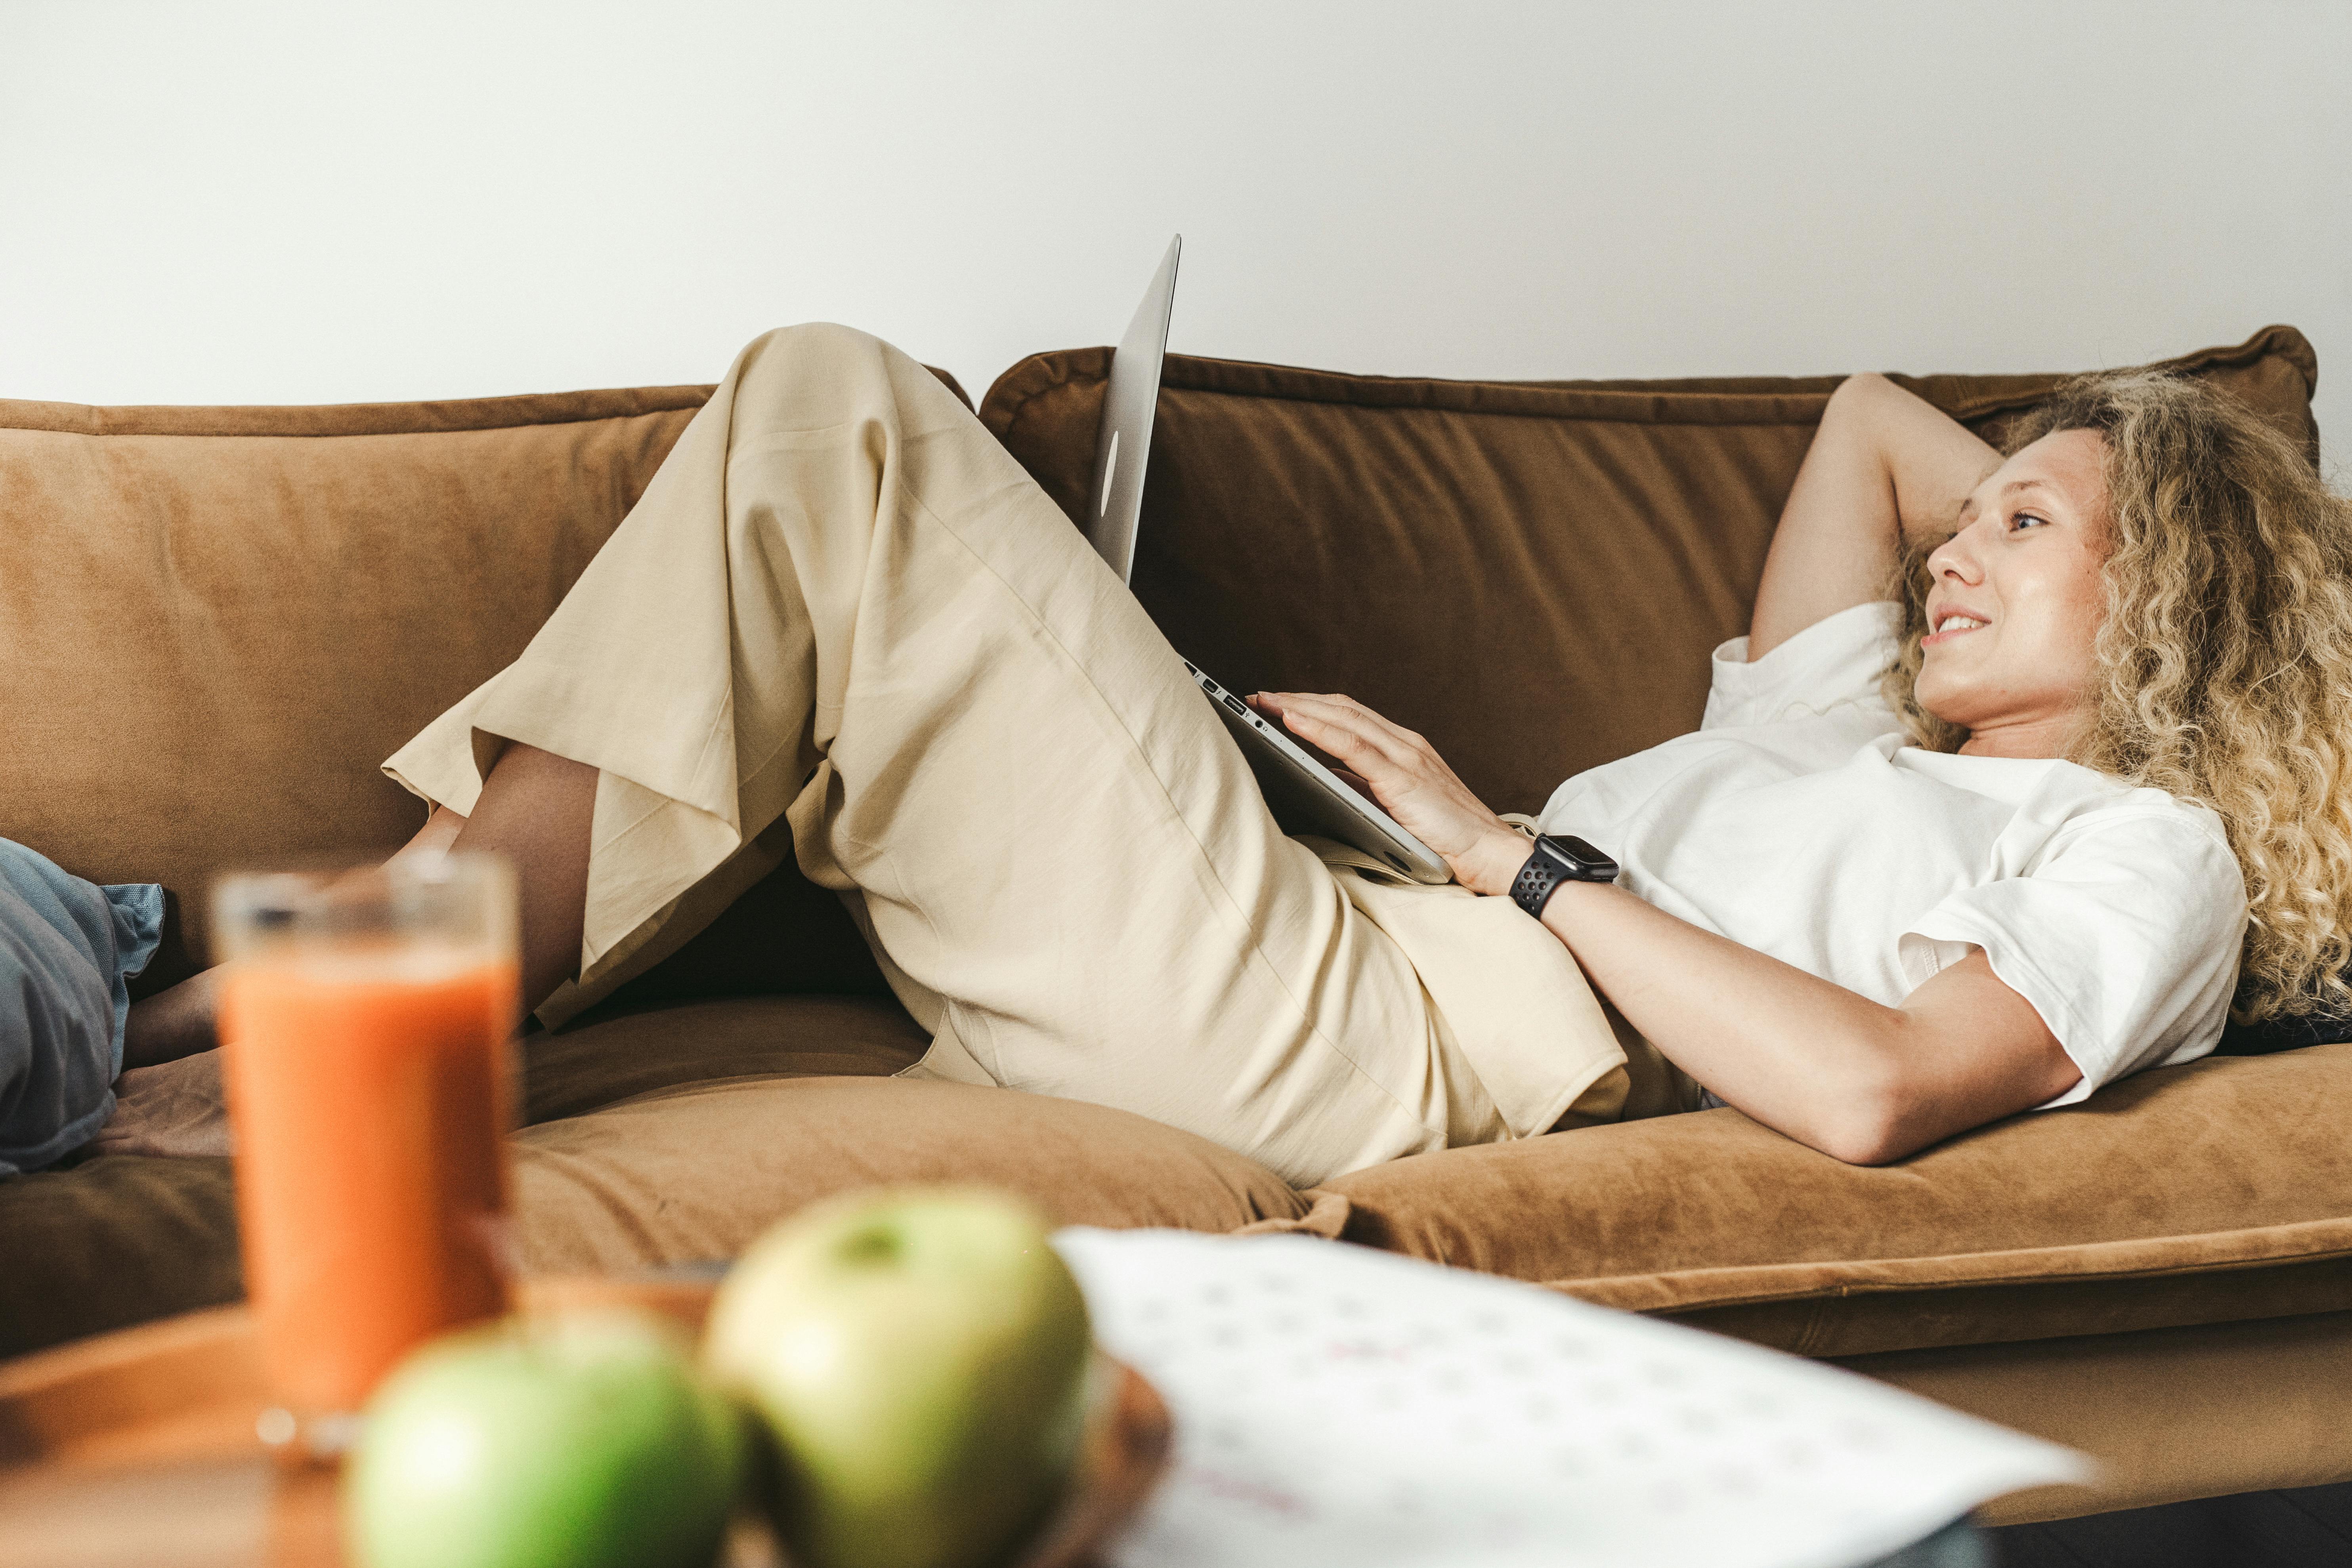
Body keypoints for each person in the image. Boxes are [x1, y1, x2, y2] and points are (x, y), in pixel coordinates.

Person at [116, 326, 2352, 1185]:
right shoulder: (1841, 721)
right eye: (1972, 525)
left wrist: (1508, 855)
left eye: (2018, 532)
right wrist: (2068, 502)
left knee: (842, 416)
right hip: (1344, 930)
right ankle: (362, 969)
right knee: (819, 456)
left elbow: (1875, 1094)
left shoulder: (2135, 845)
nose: (1954, 549)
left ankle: (346, 974)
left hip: (1414, 1023)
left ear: (2178, 595)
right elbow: (1865, 421)